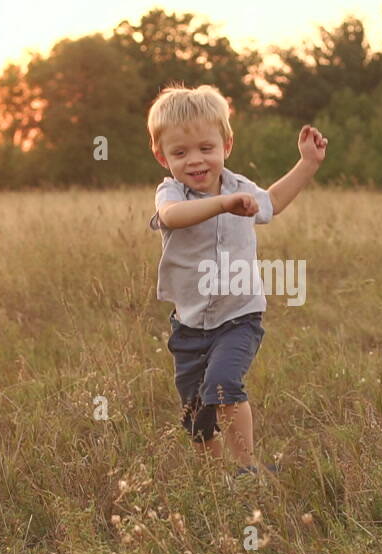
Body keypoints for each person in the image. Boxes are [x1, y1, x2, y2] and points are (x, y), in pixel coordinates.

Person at [146, 82, 327, 479]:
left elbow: (273, 202)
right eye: (180, 152)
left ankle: (247, 470)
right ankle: (216, 482)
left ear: (226, 145)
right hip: (190, 324)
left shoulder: (240, 187)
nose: (195, 160)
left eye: (206, 149)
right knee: (197, 413)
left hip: (239, 316)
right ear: (162, 157)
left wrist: (307, 165)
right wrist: (224, 205)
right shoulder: (171, 192)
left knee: (225, 385)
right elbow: (173, 217)